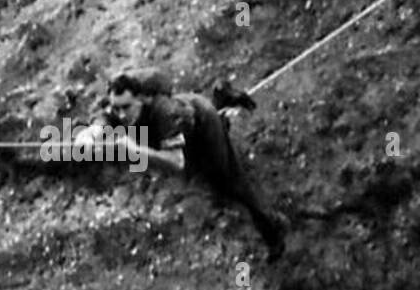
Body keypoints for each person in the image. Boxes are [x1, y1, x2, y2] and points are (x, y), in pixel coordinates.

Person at [77, 69, 287, 261]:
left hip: (201, 123)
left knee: (229, 183)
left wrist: (135, 151)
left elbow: (177, 162)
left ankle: (273, 227)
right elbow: (105, 115)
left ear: (142, 99)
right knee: (202, 178)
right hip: (176, 130)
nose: (121, 115)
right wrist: (92, 132)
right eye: (117, 108)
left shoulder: (165, 112)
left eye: (126, 108)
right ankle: (220, 98)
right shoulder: (120, 106)